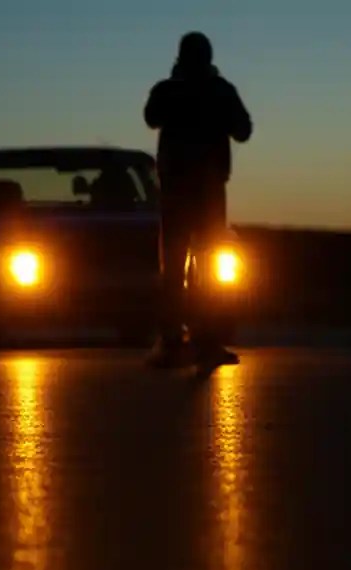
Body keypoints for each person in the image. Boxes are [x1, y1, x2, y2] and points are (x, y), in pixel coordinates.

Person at [142, 31, 252, 369]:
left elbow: (151, 117)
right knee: (204, 267)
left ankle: (174, 341)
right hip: (205, 193)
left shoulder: (168, 90)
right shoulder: (220, 90)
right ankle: (203, 341)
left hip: (180, 191)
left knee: (176, 269)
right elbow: (244, 130)